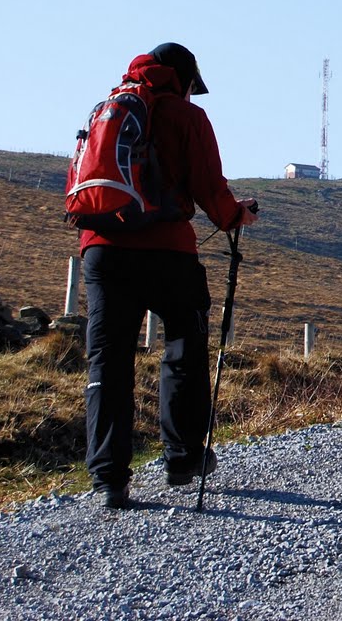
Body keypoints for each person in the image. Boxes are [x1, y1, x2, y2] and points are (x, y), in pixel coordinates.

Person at [78, 43, 257, 510]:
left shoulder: (108, 110)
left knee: (108, 360)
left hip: (102, 251)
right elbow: (210, 192)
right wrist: (237, 215)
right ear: (183, 78)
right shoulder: (186, 117)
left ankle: (108, 479)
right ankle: (182, 459)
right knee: (184, 346)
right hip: (167, 252)